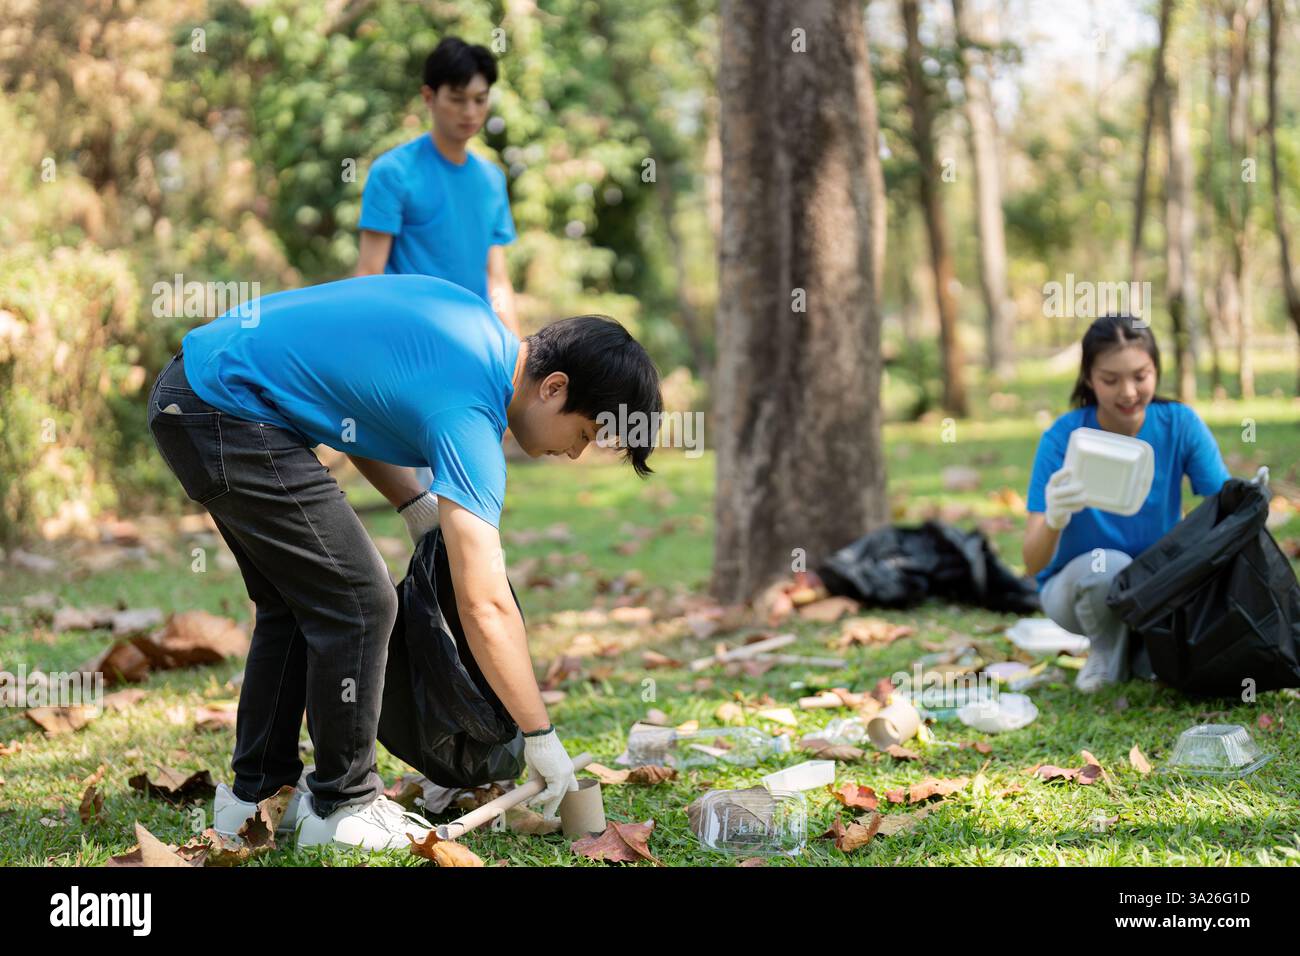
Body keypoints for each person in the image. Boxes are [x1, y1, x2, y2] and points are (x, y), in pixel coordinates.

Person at [148, 273, 661, 850]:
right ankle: (344, 808)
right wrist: (539, 734)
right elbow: (485, 604)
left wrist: (413, 503)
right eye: (585, 433)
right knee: (360, 602)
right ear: (555, 387)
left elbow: (356, 410)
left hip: (198, 393)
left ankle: (255, 799)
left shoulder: (467, 330)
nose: (575, 452)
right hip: (227, 409)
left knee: (296, 601)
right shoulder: (474, 414)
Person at [1023, 315, 1231, 693]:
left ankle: (1139, 657)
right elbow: (1033, 562)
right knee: (1110, 568)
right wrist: (1054, 517)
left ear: (1156, 370)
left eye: (1141, 375)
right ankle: (1105, 659)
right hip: (1078, 591)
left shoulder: (1179, 425)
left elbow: (1225, 505)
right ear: (1088, 378)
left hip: (1158, 588)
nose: (1129, 392)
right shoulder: (1062, 437)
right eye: (1110, 379)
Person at [355, 36, 518, 336]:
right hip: (408, 340)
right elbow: (369, 275)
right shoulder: (393, 173)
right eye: (457, 99)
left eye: (480, 99)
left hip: (474, 341)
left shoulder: (492, 179)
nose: (470, 112)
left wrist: (517, 352)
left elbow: (497, 279)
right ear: (429, 97)